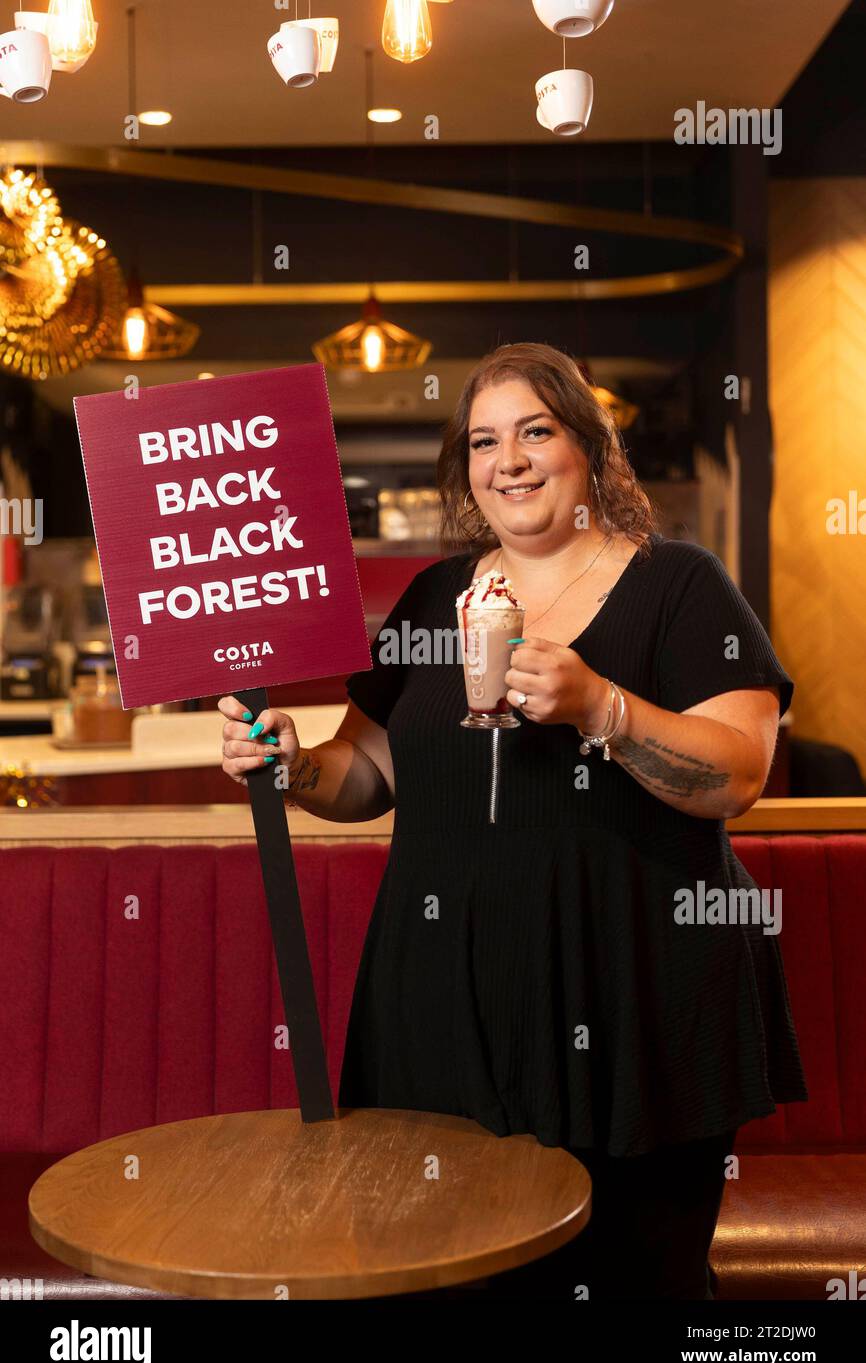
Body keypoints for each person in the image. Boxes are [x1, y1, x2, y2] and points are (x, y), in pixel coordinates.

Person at [219, 342, 808, 1301]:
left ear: (591, 449)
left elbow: (737, 776)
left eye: (537, 431)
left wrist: (602, 708)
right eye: (485, 441)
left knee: (634, 1276)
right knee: (448, 1271)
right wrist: (291, 765)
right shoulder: (431, 599)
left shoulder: (681, 585)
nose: (512, 459)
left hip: (634, 992)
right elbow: (366, 772)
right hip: (447, 993)